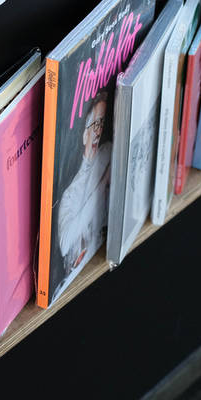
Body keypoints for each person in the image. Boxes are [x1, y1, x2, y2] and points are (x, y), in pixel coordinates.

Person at [56, 92, 111, 292]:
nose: (98, 130)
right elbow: (65, 244)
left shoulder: (107, 154)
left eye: (102, 123)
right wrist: (103, 182)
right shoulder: (70, 193)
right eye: (94, 124)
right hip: (75, 282)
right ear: (84, 135)